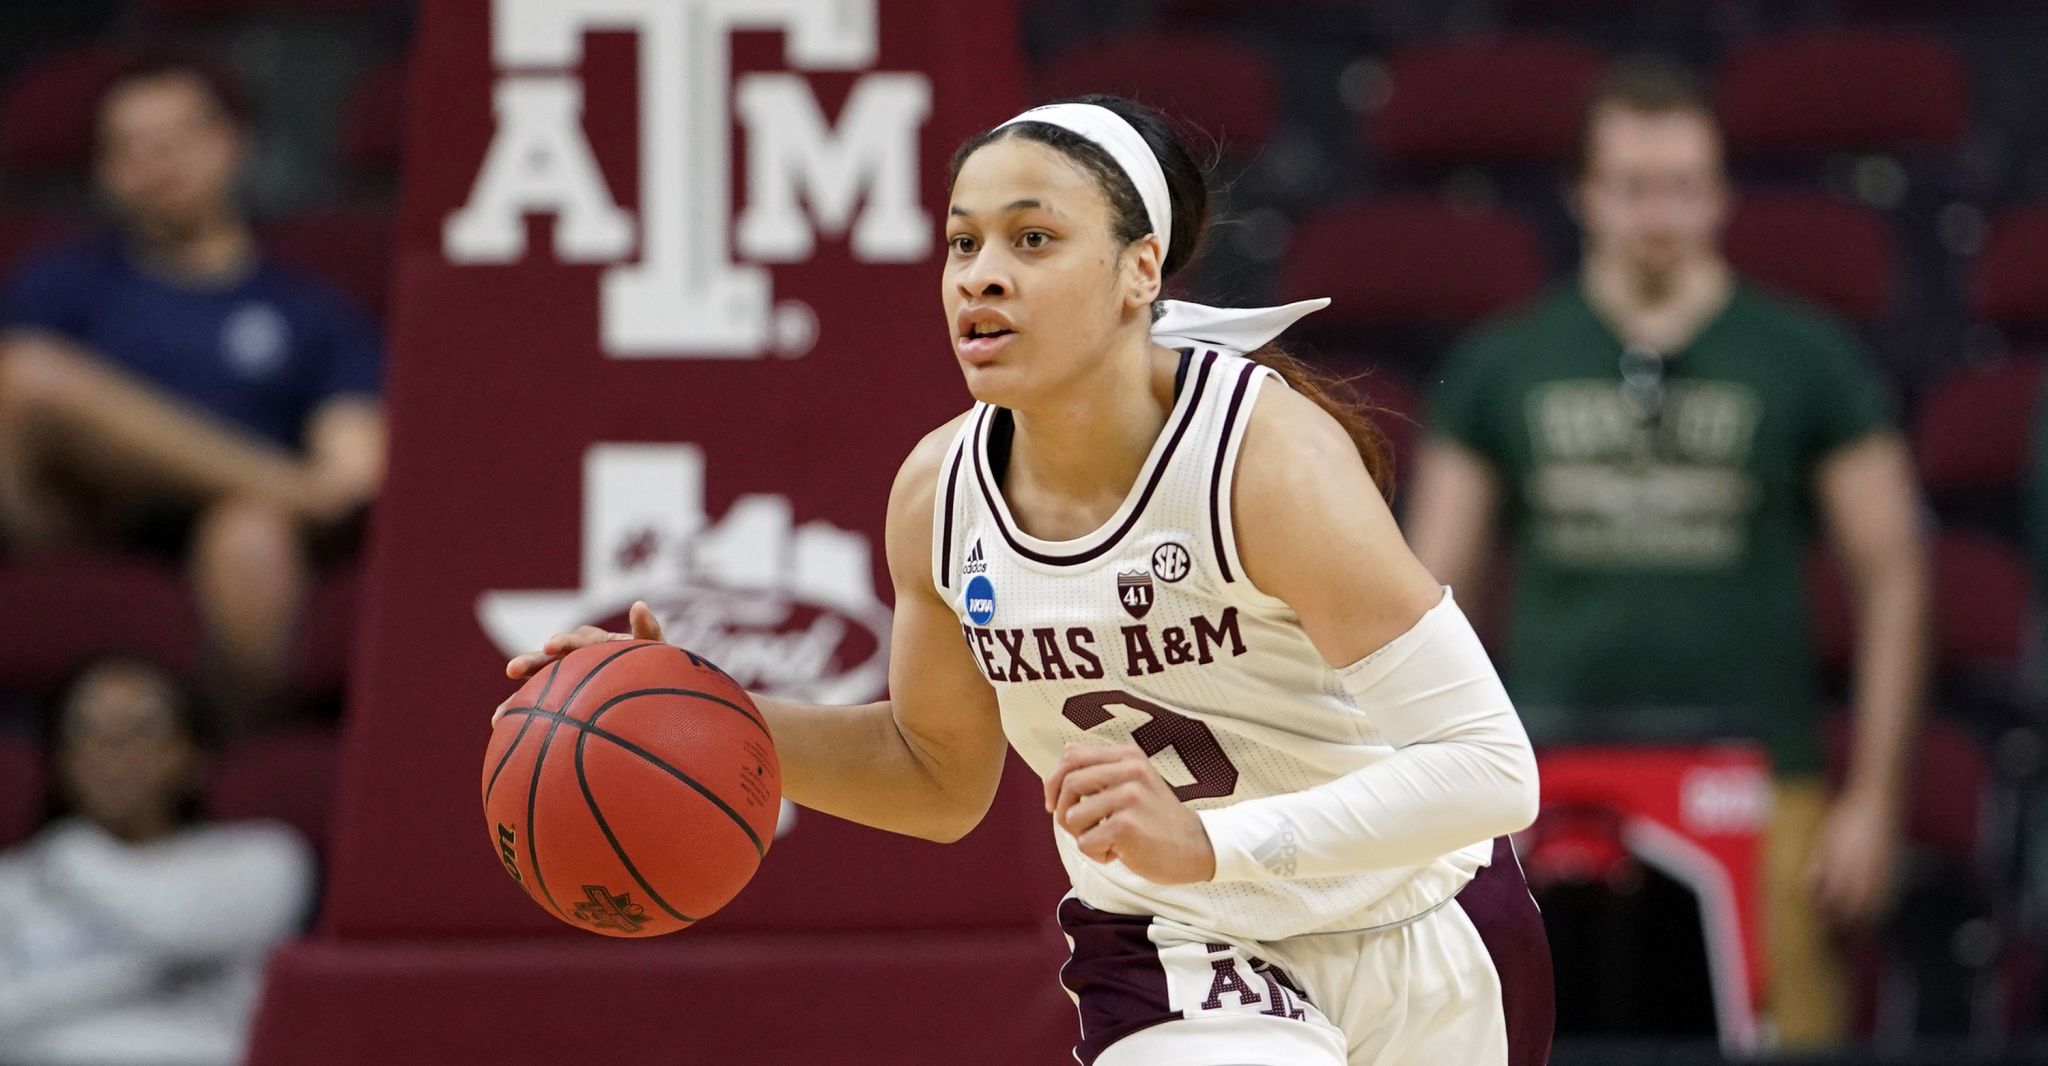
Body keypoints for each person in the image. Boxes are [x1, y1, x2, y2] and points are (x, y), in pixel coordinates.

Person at [501, 95, 1553, 1065]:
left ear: (1139, 271)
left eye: (1031, 239)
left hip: (1425, 925)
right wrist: (695, 711)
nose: (979, 274)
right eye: (961, 241)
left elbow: (1489, 770)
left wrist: (1205, 838)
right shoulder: (936, 495)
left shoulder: (1264, 462)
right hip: (1181, 945)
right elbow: (933, 774)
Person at [1404, 61, 1928, 1047]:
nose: (1660, 211)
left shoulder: (1802, 356)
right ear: (1583, 194)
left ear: (1721, 194)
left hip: (1763, 773)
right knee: (1522, 1039)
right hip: (1539, 778)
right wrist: (1442, 790)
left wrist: (1874, 798)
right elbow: (1426, 594)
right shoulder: (1504, 363)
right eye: (1634, 186)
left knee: (1774, 1033)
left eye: (1683, 186)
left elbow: (1892, 570)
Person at [0, 51, 386, 732]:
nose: (156, 162)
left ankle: (236, 753)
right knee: (30, 372)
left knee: (252, 535)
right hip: (76, 517)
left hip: (236, 528)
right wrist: (301, 487)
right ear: (103, 172)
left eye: (176, 138)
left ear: (232, 144)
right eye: (130, 148)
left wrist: (310, 490)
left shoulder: (308, 309)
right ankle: (279, 484)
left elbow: (353, 470)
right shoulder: (63, 284)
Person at [0, 655, 315, 1066]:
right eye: (87, 731)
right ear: (61, 760)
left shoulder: (261, 858)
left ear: (192, 753)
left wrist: (72, 851)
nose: (111, 750)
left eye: (142, 729)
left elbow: (179, 927)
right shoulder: (15, 880)